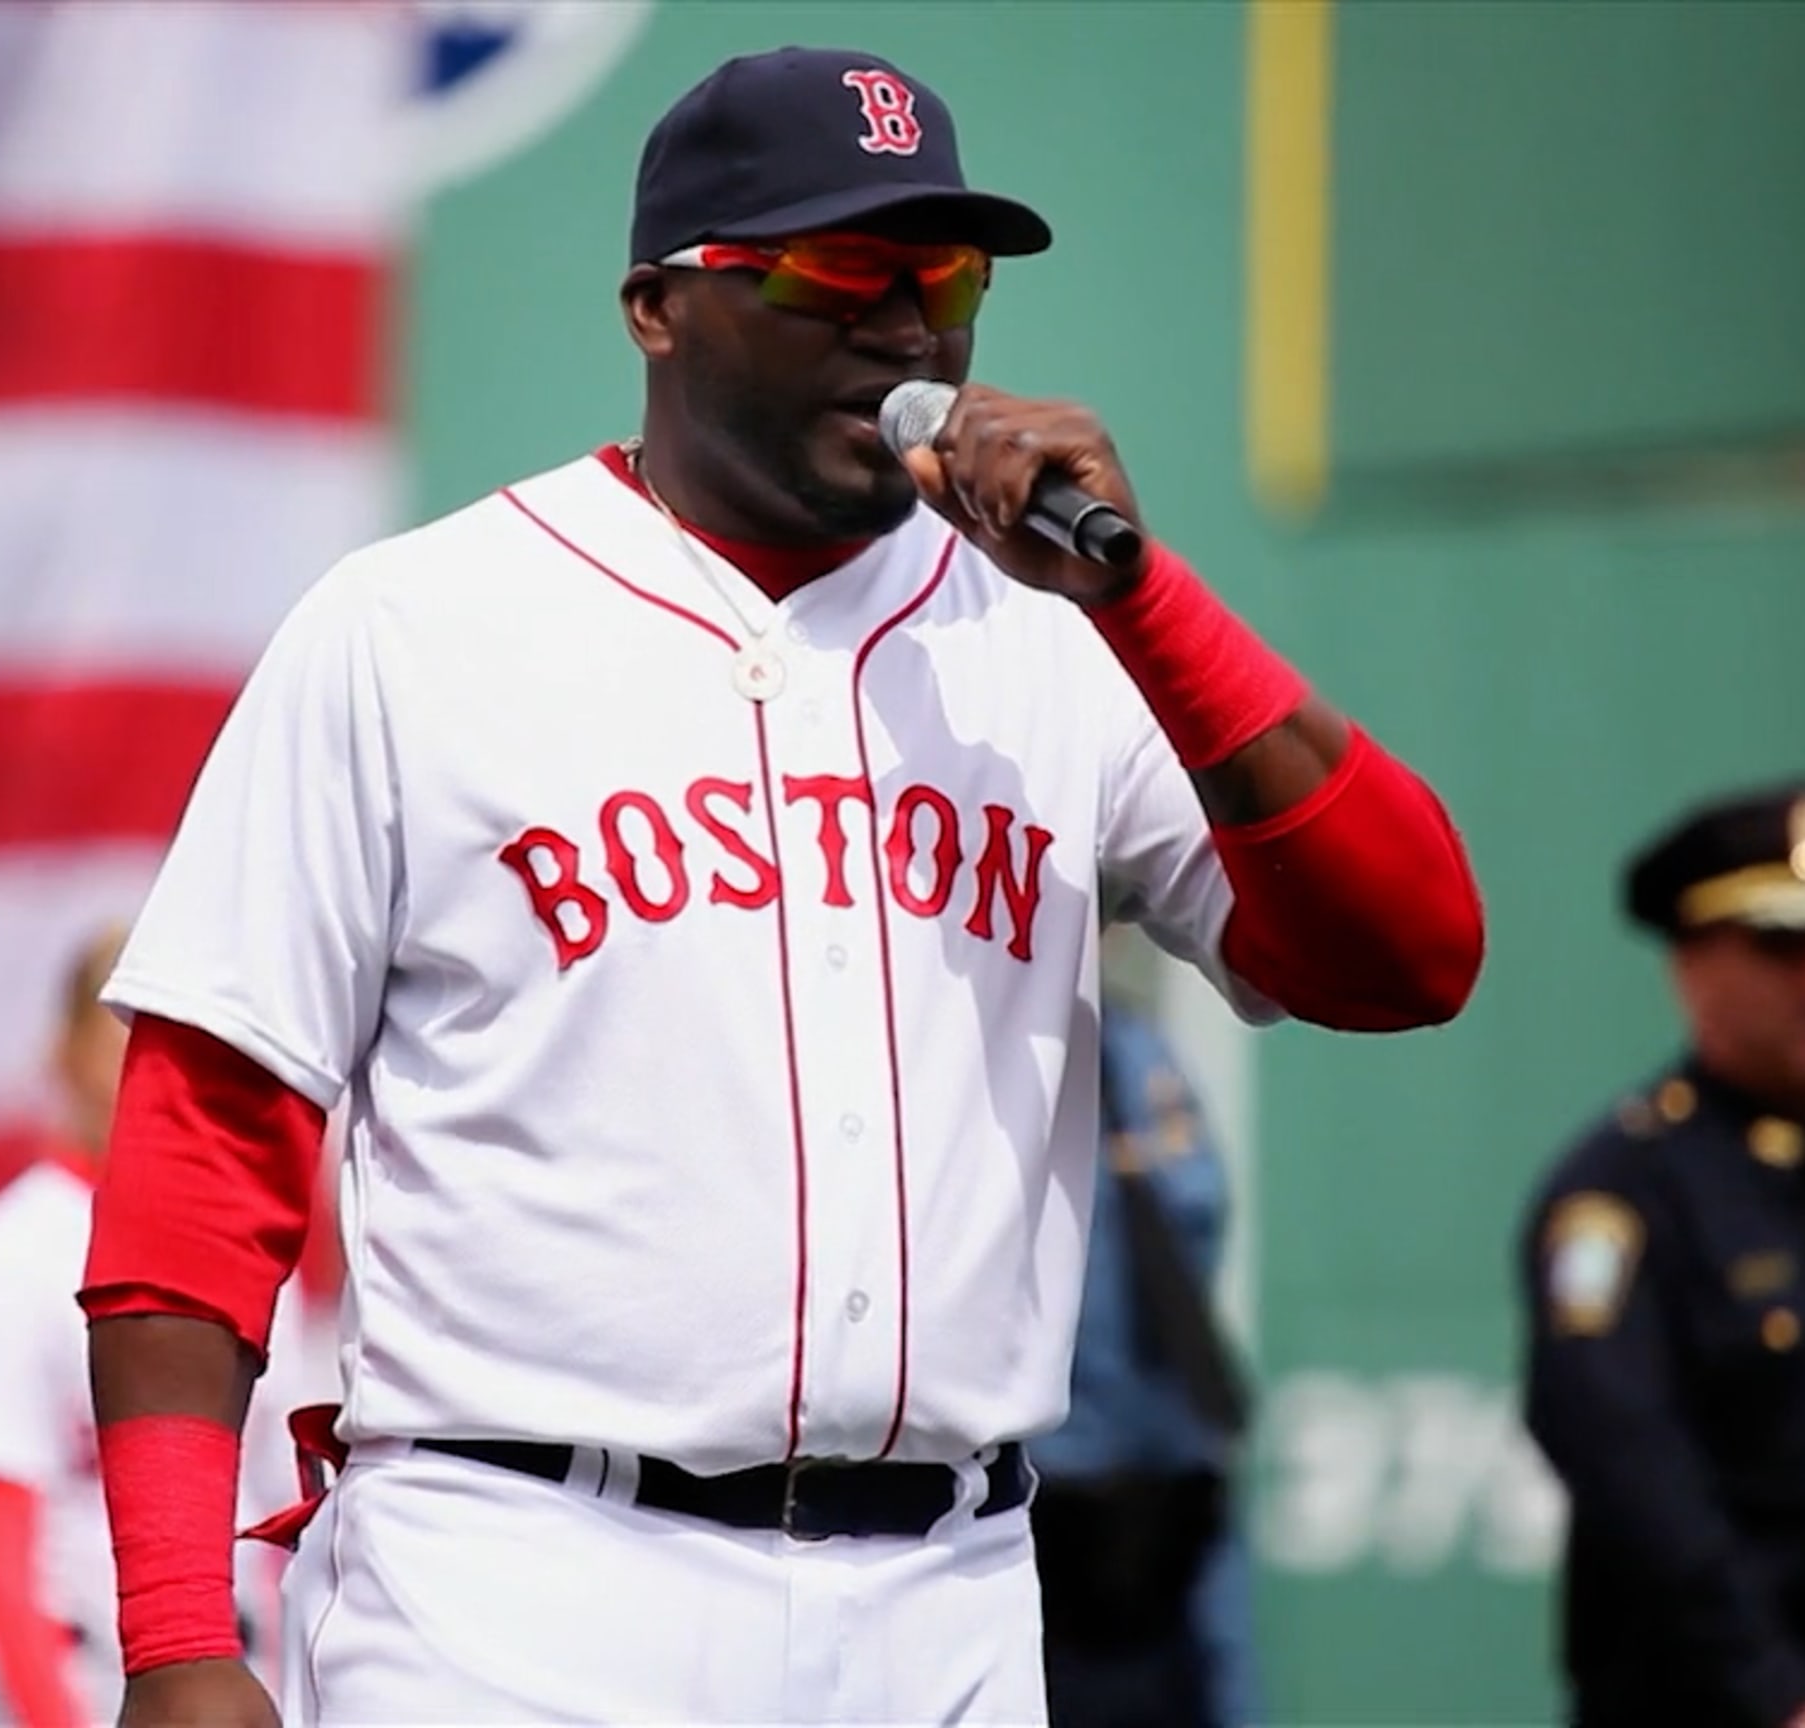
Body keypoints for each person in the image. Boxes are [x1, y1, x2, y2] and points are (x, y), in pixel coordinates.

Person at [77, 42, 1485, 1727]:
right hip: (518, 1582)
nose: (904, 326)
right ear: (659, 305)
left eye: (943, 274)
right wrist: (174, 1635)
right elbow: (200, 1149)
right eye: (834, 270)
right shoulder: (411, 628)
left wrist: (1143, 599)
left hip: (945, 1600)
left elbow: (1409, 951)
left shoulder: (1048, 648)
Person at [1519, 781, 1805, 1728]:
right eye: (1783, 947)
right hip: (1729, 1701)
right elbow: (1631, 1476)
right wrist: (1786, 1691)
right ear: (1692, 967)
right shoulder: (1621, 1195)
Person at [0, 925, 316, 1726]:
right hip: (55, 1683)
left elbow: (284, 1524)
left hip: (227, 1683)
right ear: (62, 1057)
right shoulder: (10, 1252)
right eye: (118, 1047)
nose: (139, 1080)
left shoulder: (262, 1252)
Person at [1030, 957, 1258, 1728]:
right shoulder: (980, 1070)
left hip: (1163, 1478)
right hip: (1038, 1493)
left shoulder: (1135, 1052)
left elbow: (1189, 1225)